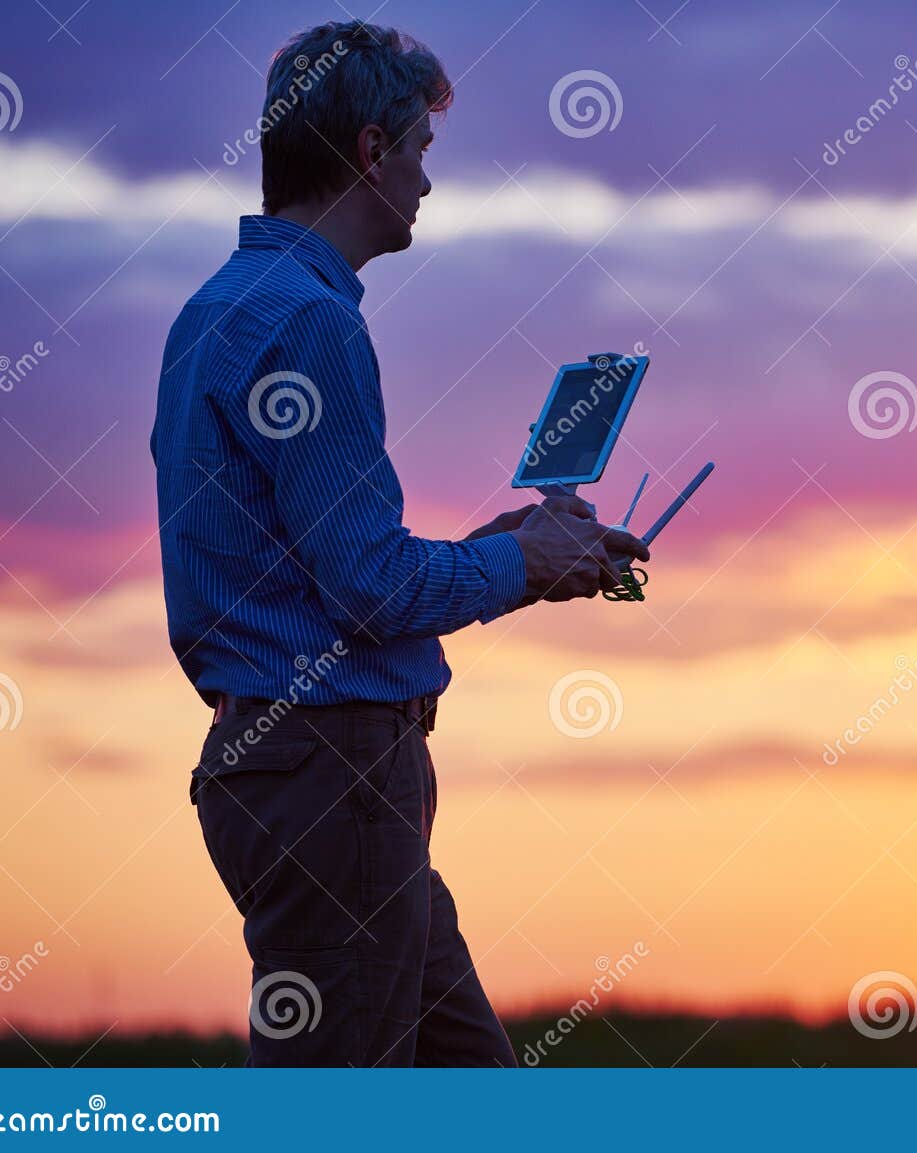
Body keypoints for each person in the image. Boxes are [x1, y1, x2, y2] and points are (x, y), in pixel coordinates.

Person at [150, 20, 647, 1066]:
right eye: (421, 151)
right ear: (373, 151)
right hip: (335, 780)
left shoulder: (215, 310)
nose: (427, 182)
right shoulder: (312, 323)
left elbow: (324, 569)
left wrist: (512, 553)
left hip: (293, 776)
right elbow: (373, 588)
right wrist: (525, 563)